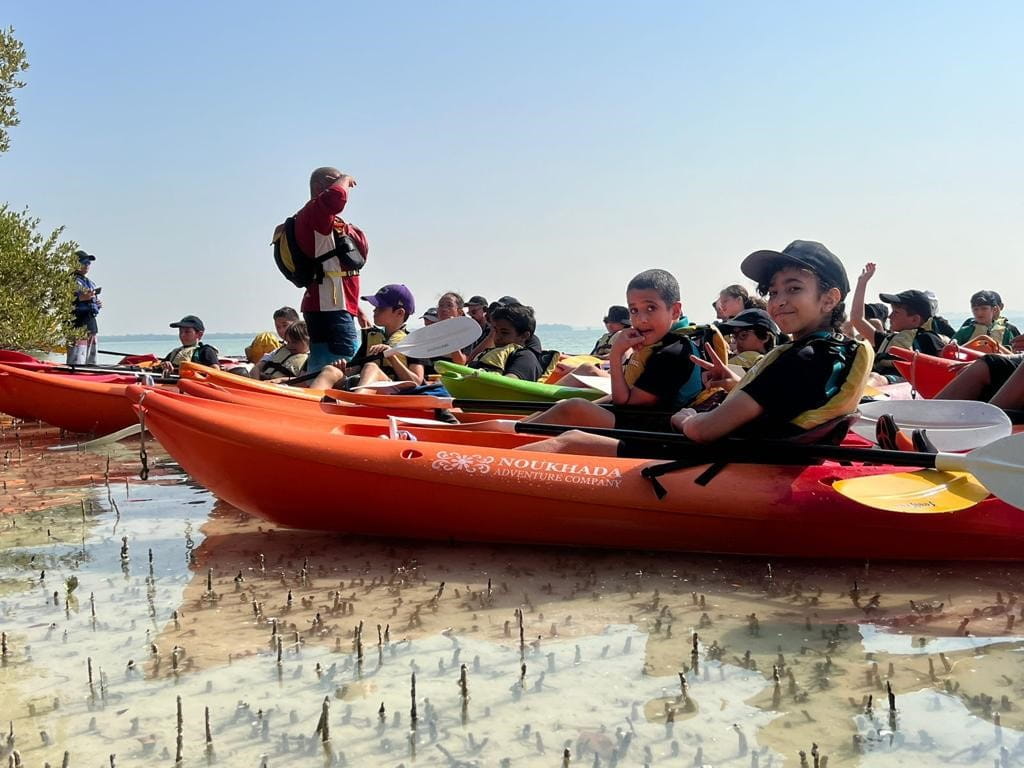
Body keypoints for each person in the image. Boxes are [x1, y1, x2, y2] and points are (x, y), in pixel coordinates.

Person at [527, 242, 872, 456]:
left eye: (793, 289)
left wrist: (686, 418)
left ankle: (472, 462)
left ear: (829, 298)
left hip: (716, 457)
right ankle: (472, 444)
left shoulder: (803, 358)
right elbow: (785, 400)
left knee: (570, 441)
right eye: (773, 291)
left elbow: (703, 431)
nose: (778, 302)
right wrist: (737, 383)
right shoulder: (831, 351)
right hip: (746, 448)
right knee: (572, 422)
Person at [520, 269, 703, 435]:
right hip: (643, 421)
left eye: (651, 308)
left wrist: (616, 354)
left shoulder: (674, 352)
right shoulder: (664, 344)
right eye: (634, 310)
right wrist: (592, 406)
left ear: (675, 310)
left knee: (574, 408)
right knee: (567, 406)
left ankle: (512, 437)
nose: (641, 319)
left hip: (657, 433)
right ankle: (513, 428)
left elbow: (625, 403)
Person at [287, 167, 369, 375]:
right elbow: (337, 197)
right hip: (331, 307)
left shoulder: (319, 217)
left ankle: (317, 396)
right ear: (318, 187)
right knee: (344, 367)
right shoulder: (316, 212)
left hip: (330, 303)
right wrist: (345, 178)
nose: (340, 184)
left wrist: (356, 307)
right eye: (333, 181)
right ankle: (335, 402)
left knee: (322, 364)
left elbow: (332, 267)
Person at [307, 284, 424, 391]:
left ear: (399, 313)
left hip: (395, 392)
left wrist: (392, 357)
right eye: (375, 307)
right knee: (330, 370)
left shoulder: (413, 341)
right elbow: (353, 370)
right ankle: (310, 404)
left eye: (381, 308)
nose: (374, 310)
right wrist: (343, 368)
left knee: (371, 367)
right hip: (367, 386)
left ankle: (354, 405)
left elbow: (416, 382)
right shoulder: (371, 337)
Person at [850, 263, 945, 385]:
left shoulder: (927, 338)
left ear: (914, 320)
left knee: (874, 377)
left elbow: (943, 365)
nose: (889, 316)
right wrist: (862, 283)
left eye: (896, 312)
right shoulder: (886, 339)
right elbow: (857, 319)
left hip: (904, 382)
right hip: (882, 379)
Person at [468, 303, 554, 381]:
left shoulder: (525, 357)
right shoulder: (491, 352)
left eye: (504, 332)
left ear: (524, 336)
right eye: (495, 331)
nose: (497, 337)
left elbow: (509, 383)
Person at [953, 291, 1021, 348]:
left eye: (984, 308)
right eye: (975, 309)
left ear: (994, 309)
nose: (979, 313)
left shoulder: (1006, 332)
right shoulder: (964, 332)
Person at [68, 250, 101, 365]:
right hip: (77, 324)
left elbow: (91, 300)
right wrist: (83, 297)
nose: (87, 265)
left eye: (88, 263)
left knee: (91, 362)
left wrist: (97, 304)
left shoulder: (89, 282)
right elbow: (67, 301)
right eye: (84, 262)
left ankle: (92, 379)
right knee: (77, 361)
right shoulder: (69, 281)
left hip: (91, 325)